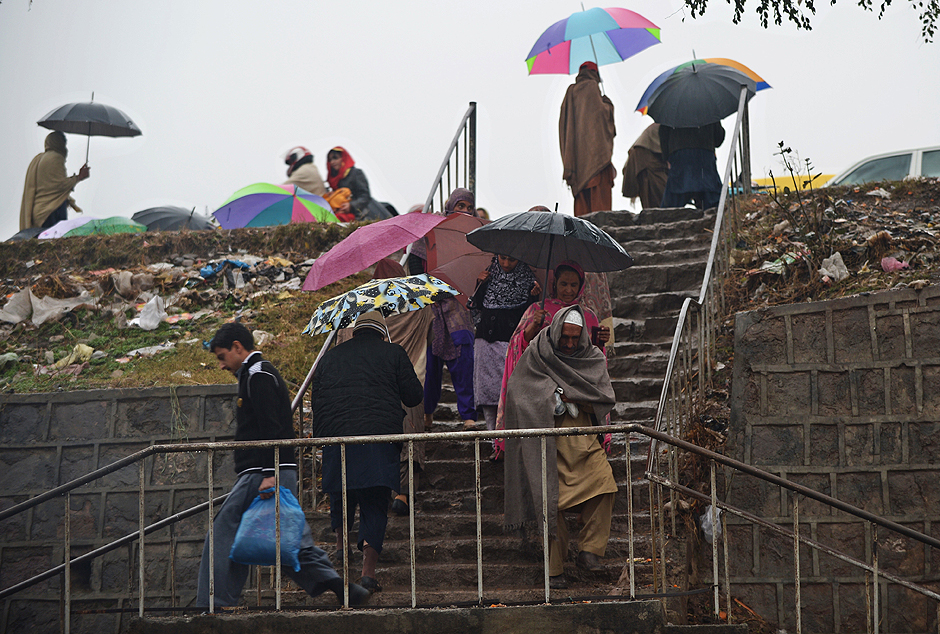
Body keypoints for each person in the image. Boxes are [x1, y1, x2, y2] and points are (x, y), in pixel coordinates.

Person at [197, 322, 369, 608]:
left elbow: (271, 427)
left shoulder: (258, 374)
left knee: (223, 533)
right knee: (288, 543)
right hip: (273, 470)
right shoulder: (257, 373)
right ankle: (343, 588)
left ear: (238, 347)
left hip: (262, 473)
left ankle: (215, 601)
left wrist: (268, 473)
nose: (222, 364)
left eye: (222, 356)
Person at [503, 305, 617, 590]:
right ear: (554, 332)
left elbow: (603, 398)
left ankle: (590, 551)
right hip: (548, 442)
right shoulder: (538, 353)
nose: (568, 344)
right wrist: (548, 395)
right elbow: (518, 390)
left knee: (605, 486)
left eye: (574, 339)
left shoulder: (591, 357)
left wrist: (573, 396)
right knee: (550, 502)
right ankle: (554, 570)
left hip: (584, 439)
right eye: (564, 338)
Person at [312, 312, 423, 594]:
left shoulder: (329, 358)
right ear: (382, 333)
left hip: (337, 439)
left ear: (355, 331)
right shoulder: (393, 352)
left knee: (341, 491)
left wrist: (324, 437)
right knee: (375, 503)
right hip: (378, 438)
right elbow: (414, 396)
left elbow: (317, 402)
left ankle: (340, 548)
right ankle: (368, 573)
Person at [493, 261, 610, 458]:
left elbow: (593, 359)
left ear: (581, 285)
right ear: (554, 283)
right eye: (564, 284)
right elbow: (517, 345)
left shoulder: (588, 316)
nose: (568, 290)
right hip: (542, 382)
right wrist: (533, 326)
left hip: (577, 386)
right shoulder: (537, 310)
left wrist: (601, 343)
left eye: (573, 285)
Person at [408, 188, 479, 432]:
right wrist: (430, 290)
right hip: (431, 309)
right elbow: (415, 266)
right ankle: (427, 414)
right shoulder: (430, 232)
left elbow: (474, 273)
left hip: (459, 309)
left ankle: (469, 417)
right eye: (461, 207)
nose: (466, 212)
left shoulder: (473, 237)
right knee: (431, 367)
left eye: (469, 207)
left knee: (464, 360)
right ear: (450, 207)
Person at [467, 254, 539, 461]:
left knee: (509, 395)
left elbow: (528, 318)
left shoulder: (529, 283)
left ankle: (513, 443)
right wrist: (480, 284)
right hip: (484, 343)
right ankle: (495, 443)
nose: (506, 264)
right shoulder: (488, 276)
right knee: (489, 397)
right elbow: (476, 308)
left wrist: (534, 296)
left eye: (512, 260)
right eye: (502, 259)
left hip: (510, 345)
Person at [559, 61, 616, 217]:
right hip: (596, 160)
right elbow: (601, 118)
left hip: (577, 163)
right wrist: (608, 104)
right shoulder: (591, 87)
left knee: (583, 212)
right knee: (600, 210)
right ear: (595, 73)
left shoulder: (571, 92)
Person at [20, 131, 90, 230]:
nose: (65, 148)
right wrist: (79, 177)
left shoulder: (38, 159)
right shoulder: (55, 157)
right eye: (63, 143)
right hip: (51, 211)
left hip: (38, 213)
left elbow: (51, 185)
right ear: (58, 143)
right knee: (55, 240)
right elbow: (60, 185)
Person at [659, 122, 726, 210]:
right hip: (705, 156)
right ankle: (715, 219)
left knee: (673, 200)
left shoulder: (671, 110)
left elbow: (663, 134)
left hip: (679, 155)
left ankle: (667, 220)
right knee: (711, 197)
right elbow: (718, 138)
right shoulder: (709, 110)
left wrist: (666, 157)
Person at [325, 146, 391, 222]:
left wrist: (351, 205)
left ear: (344, 158)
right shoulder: (333, 179)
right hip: (343, 214)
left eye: (335, 158)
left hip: (362, 214)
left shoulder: (356, 173)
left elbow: (365, 196)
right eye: (330, 160)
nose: (332, 162)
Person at [621, 123, 669, 210]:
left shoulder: (663, 127)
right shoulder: (663, 127)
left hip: (648, 164)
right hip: (646, 163)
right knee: (657, 199)